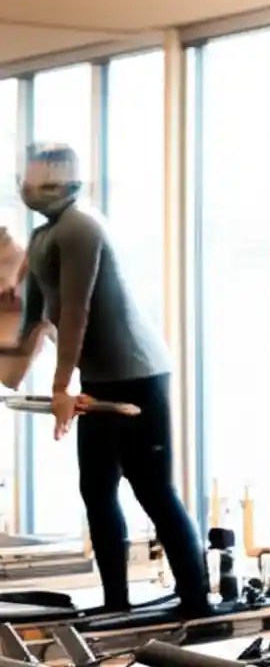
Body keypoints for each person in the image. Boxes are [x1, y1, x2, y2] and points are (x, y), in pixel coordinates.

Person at [3, 143, 210, 616]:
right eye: (29, 181)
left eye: (44, 182)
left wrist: (60, 390)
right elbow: (34, 320)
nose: (32, 190)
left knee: (152, 490)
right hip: (98, 379)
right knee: (96, 490)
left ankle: (196, 600)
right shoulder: (40, 239)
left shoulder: (82, 229)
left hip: (138, 376)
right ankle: (116, 602)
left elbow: (76, 313)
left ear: (68, 185)